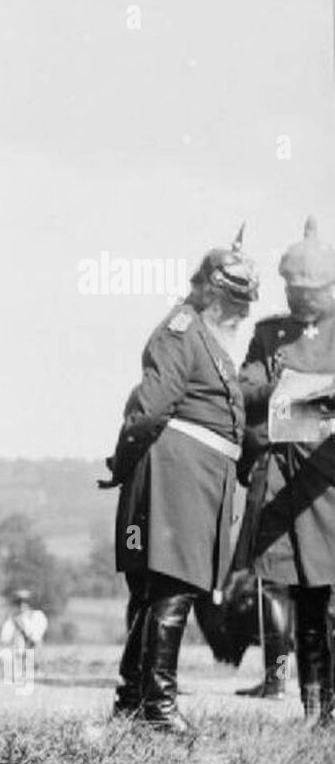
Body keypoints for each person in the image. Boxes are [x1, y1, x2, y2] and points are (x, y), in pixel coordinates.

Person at [103, 226, 258, 733]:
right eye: (235, 300)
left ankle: (134, 702)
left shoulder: (204, 335)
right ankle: (159, 709)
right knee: (173, 586)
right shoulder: (180, 330)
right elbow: (150, 408)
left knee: (158, 590)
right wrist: (125, 462)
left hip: (197, 474)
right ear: (210, 289)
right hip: (176, 471)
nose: (241, 311)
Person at [234, 216, 335, 725]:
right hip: (283, 484)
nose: (302, 302)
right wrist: (274, 387)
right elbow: (245, 385)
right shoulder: (270, 334)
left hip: (329, 483)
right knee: (297, 594)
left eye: (312, 292)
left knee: (330, 598)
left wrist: (307, 402)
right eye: (293, 292)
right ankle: (312, 708)